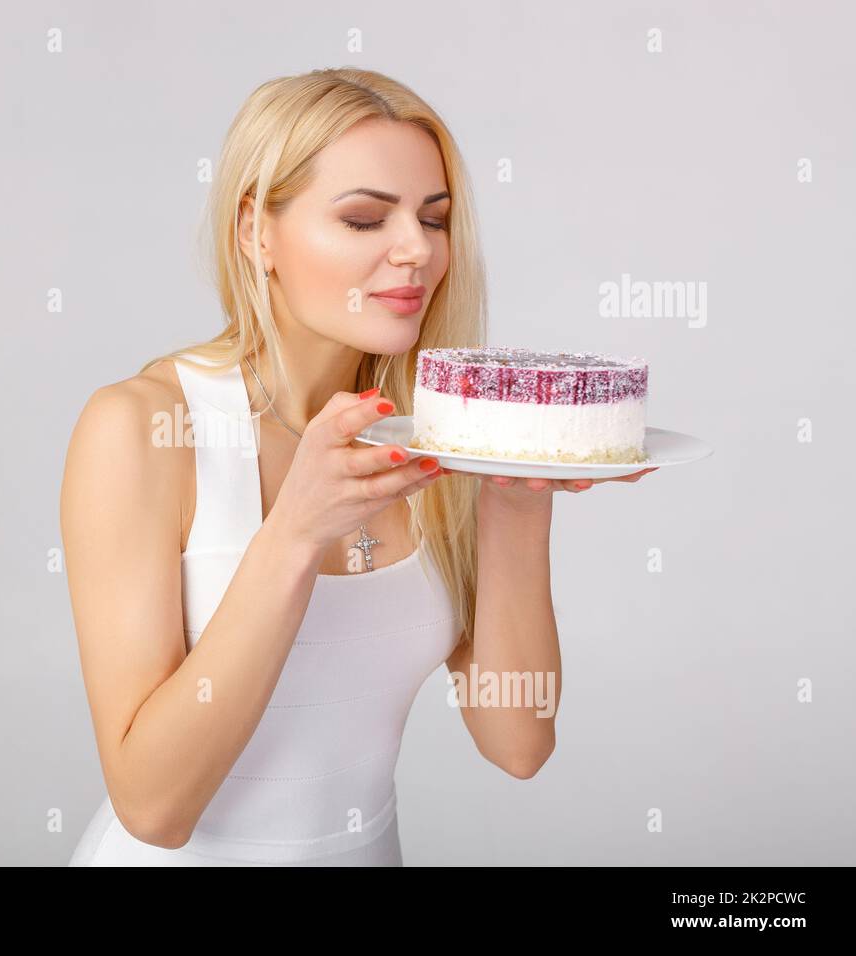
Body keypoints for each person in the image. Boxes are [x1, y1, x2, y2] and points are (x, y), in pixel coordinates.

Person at [60, 67, 656, 866]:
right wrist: (295, 534)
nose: (415, 250)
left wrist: (517, 502)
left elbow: (519, 742)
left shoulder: (431, 436)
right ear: (254, 231)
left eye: (433, 220)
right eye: (366, 218)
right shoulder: (141, 429)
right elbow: (154, 807)